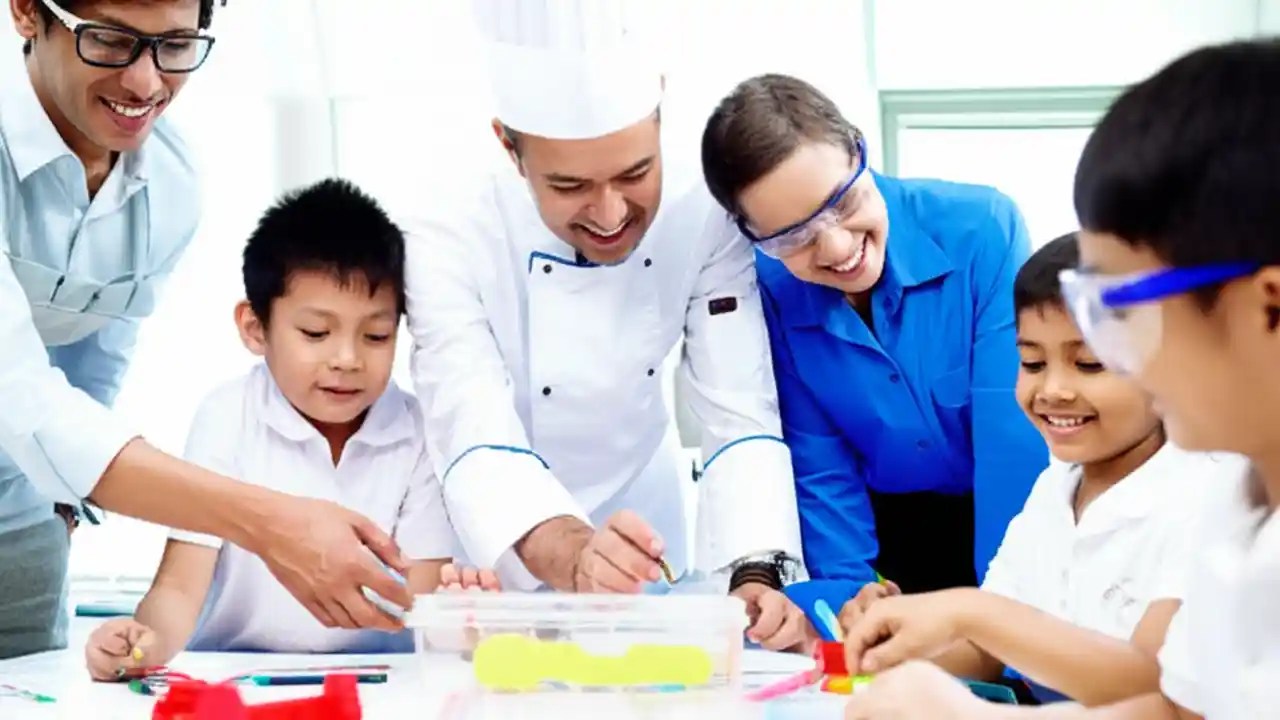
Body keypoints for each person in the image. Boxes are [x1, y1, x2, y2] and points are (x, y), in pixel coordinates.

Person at [843, 37, 1280, 720]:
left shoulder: (1205, 489)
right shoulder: (1241, 499)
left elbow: (1149, 682)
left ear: (1267, 308)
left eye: (1125, 314)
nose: (1122, 353)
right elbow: (1182, 708)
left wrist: (970, 626)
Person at [0, 0, 409, 659]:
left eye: (176, 45)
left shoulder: (170, 180)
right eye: (108, 40)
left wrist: (63, 501)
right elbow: (17, 390)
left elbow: (100, 340)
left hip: (18, 519)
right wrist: (274, 525)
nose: (145, 83)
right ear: (27, 12)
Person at [403, 0, 809, 650]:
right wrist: (570, 553)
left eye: (635, 172)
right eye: (569, 186)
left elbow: (739, 407)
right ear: (509, 147)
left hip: (645, 526)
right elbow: (469, 422)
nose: (611, 211)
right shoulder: (446, 228)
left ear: (659, 116)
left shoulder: (702, 210)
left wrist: (754, 571)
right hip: (500, 551)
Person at [82, 180, 499, 680]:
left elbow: (424, 601)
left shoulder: (417, 430)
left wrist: (465, 619)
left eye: (376, 335)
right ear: (255, 328)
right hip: (234, 676)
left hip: (380, 683)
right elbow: (179, 588)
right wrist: (142, 644)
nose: (347, 359)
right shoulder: (228, 416)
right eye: (316, 333)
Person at [699, 73, 1048, 628]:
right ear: (751, 235)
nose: (837, 248)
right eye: (793, 237)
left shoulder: (981, 228)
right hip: (885, 540)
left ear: (858, 151)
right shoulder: (768, 290)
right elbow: (819, 464)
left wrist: (1006, 614)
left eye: (842, 201)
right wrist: (847, 606)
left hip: (1008, 515)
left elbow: (1013, 436)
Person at [839, 232, 1241, 706]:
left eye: (1089, 364)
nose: (1052, 389)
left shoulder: (1210, 495)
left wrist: (969, 611)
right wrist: (900, 637)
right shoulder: (1056, 488)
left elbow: (1154, 688)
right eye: (1031, 362)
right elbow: (983, 648)